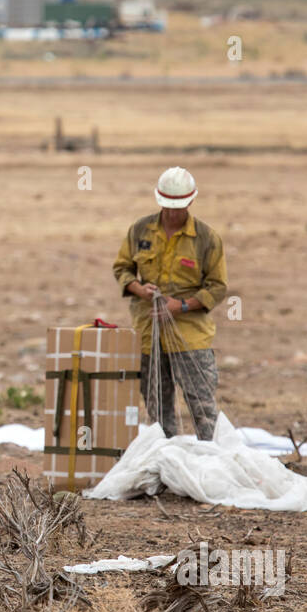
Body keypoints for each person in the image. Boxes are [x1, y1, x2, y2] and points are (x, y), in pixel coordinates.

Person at [112, 166, 227, 440]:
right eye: (168, 206)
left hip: (191, 339)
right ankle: (166, 469)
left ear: (191, 201)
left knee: (203, 410)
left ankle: (211, 466)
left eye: (180, 207)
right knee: (158, 412)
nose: (174, 213)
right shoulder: (139, 230)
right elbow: (122, 269)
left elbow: (217, 287)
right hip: (148, 336)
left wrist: (183, 306)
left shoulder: (206, 239)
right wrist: (139, 289)